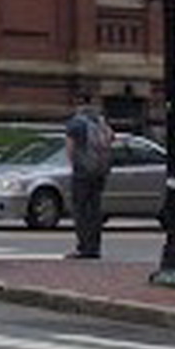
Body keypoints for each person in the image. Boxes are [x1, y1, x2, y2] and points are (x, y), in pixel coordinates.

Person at [63, 94, 114, 260]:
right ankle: (95, 247)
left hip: (82, 172)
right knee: (94, 210)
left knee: (81, 210)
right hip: (99, 172)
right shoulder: (100, 121)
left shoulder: (75, 123)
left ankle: (83, 246)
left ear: (78, 104)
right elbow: (111, 138)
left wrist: (74, 164)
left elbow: (70, 148)